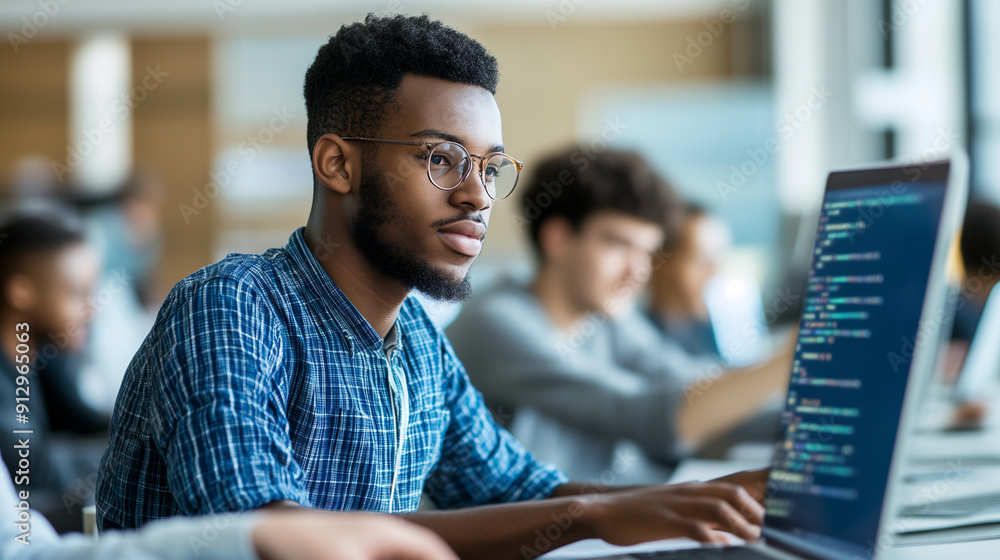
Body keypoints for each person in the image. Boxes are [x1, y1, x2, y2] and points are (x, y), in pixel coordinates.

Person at [97, 14, 769, 560]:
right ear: (337, 164)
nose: (479, 196)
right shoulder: (232, 305)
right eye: (441, 159)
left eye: (490, 167)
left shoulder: (417, 337)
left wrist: (707, 498)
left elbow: (517, 491)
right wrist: (591, 516)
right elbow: (271, 535)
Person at [447, 148, 793, 480]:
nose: (638, 272)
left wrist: (811, 411)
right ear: (558, 239)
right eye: (619, 245)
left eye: (647, 252)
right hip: (548, 518)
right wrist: (787, 361)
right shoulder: (496, 322)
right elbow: (644, 416)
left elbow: (689, 382)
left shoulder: (607, 318)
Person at [0, 462, 457, 560]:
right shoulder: (230, 301)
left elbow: (23, 553)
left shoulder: (420, 339)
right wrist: (257, 536)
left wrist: (253, 537)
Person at [0, 214, 108, 533]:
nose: (93, 309)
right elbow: (32, 466)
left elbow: (81, 417)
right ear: (21, 291)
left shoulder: (41, 356)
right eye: (78, 293)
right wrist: (137, 451)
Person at [647, 203, 728, 360]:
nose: (713, 272)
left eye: (717, 259)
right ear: (660, 262)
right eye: (702, 259)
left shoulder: (709, 327)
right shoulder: (636, 339)